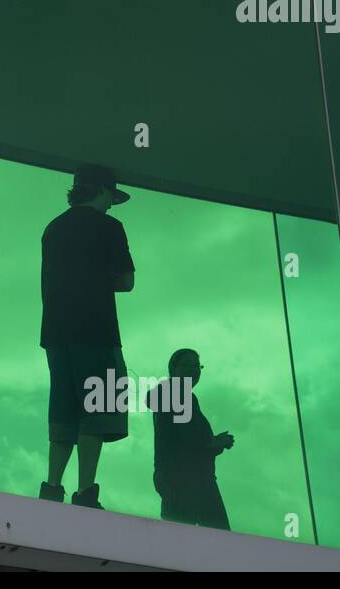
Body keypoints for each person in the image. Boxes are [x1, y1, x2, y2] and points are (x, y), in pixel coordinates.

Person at [38, 164, 136, 509]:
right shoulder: (109, 227)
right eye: (111, 196)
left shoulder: (53, 229)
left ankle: (52, 487)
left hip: (55, 332)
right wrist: (96, 280)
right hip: (96, 329)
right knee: (96, 408)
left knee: (63, 409)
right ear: (102, 191)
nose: (112, 204)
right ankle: (85, 492)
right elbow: (126, 281)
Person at [149, 348, 234, 530]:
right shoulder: (180, 394)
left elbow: (182, 435)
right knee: (219, 544)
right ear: (173, 368)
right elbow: (193, 438)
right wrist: (217, 442)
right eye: (186, 365)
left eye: (197, 366)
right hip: (194, 480)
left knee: (178, 544)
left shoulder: (168, 394)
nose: (193, 370)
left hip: (172, 477)